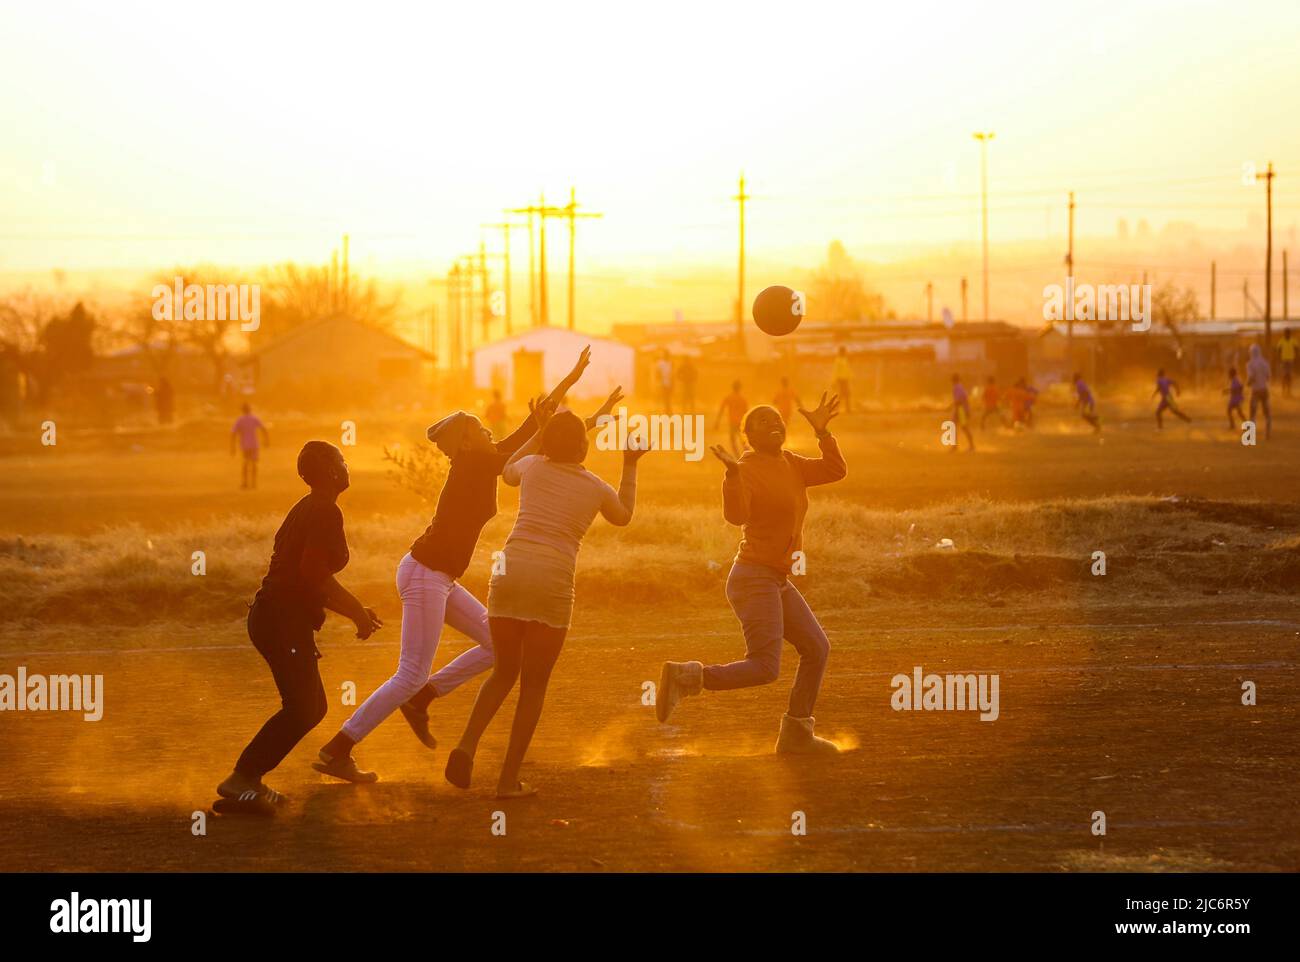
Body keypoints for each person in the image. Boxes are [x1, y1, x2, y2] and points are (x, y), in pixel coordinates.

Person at [314, 349, 615, 782]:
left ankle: (424, 699)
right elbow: (536, 432)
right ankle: (338, 748)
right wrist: (568, 381)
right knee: (409, 673)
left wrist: (588, 402)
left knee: (496, 647)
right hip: (424, 574)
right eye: (480, 428)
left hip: (439, 578)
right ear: (467, 442)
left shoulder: (479, 461)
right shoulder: (476, 462)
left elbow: (553, 443)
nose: (490, 430)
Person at [444, 409, 648, 798]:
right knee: (533, 686)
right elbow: (623, 516)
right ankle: (507, 781)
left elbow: (506, 472)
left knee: (504, 671)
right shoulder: (595, 487)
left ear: (546, 443)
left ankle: (466, 745)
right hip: (551, 583)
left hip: (510, 571)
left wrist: (537, 435)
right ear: (585, 447)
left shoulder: (533, 467)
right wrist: (630, 463)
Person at [657, 394, 846, 753]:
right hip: (752, 576)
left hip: (775, 578)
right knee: (764, 667)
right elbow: (736, 516)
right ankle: (688, 676)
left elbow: (835, 470)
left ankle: (796, 734)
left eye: (777, 418)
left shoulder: (791, 462)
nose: (773, 422)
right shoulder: (746, 467)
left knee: (817, 647)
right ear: (747, 436)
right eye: (761, 420)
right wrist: (731, 475)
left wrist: (823, 433)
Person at [215, 441, 382, 814]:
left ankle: (248, 780)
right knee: (305, 707)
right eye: (341, 460)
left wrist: (353, 609)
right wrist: (355, 611)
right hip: (280, 621)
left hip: (275, 617)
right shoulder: (324, 511)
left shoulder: (309, 506)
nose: (346, 465)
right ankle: (243, 779)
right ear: (332, 472)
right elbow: (313, 575)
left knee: (309, 706)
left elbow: (307, 577)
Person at [231, 403, 270, 490]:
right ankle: (253, 483)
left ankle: (245, 483)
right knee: (254, 463)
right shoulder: (254, 418)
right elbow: (263, 429)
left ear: (242, 410)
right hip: (254, 444)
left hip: (245, 445)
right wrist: (266, 440)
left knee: (245, 463)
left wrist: (232, 446)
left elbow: (233, 432)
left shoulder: (240, 420)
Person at [716, 381, 748, 456]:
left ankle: (738, 456)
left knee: (733, 441)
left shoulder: (729, 397)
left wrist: (717, 422)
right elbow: (746, 412)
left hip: (732, 422)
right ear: (740, 388)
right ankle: (744, 456)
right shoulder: (743, 399)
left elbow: (722, 409)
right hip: (741, 423)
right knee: (743, 441)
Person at [1247, 343, 1272, 439]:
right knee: (1267, 413)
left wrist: (1248, 383)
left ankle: (1250, 436)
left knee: (1252, 413)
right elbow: (1268, 377)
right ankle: (1267, 433)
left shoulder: (1250, 364)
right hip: (1264, 390)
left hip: (1255, 390)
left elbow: (1251, 377)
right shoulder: (1265, 363)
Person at [950, 373, 975, 452]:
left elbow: (958, 401)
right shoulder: (960, 387)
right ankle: (969, 445)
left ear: (953, 380)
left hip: (960, 410)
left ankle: (957, 446)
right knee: (962, 427)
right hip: (962, 409)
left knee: (962, 427)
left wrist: (950, 406)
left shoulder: (956, 388)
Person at [1275, 328, 1296, 397]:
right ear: (1284, 334)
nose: (1287, 334)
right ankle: (1283, 391)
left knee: (1289, 376)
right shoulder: (1282, 340)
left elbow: (1297, 347)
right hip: (1284, 360)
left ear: (1289, 333)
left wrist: (1296, 356)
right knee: (1284, 376)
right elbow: (1278, 349)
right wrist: (1278, 358)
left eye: (1288, 333)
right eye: (1286, 333)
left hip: (1290, 360)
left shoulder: (1293, 340)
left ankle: (1289, 391)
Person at [832, 346, 853, 413]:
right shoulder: (838, 360)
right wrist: (834, 380)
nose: (844, 353)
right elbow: (836, 371)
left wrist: (850, 377)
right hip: (840, 379)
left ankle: (847, 408)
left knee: (846, 394)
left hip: (845, 379)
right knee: (842, 394)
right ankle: (837, 408)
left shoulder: (845, 359)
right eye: (843, 352)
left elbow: (848, 370)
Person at [655, 350, 674, 414]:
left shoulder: (670, 363)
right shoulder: (660, 363)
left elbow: (672, 372)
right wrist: (659, 380)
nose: (667, 356)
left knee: (668, 396)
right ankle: (667, 409)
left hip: (669, 382)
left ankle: (668, 409)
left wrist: (672, 380)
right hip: (663, 382)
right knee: (665, 396)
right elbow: (657, 372)